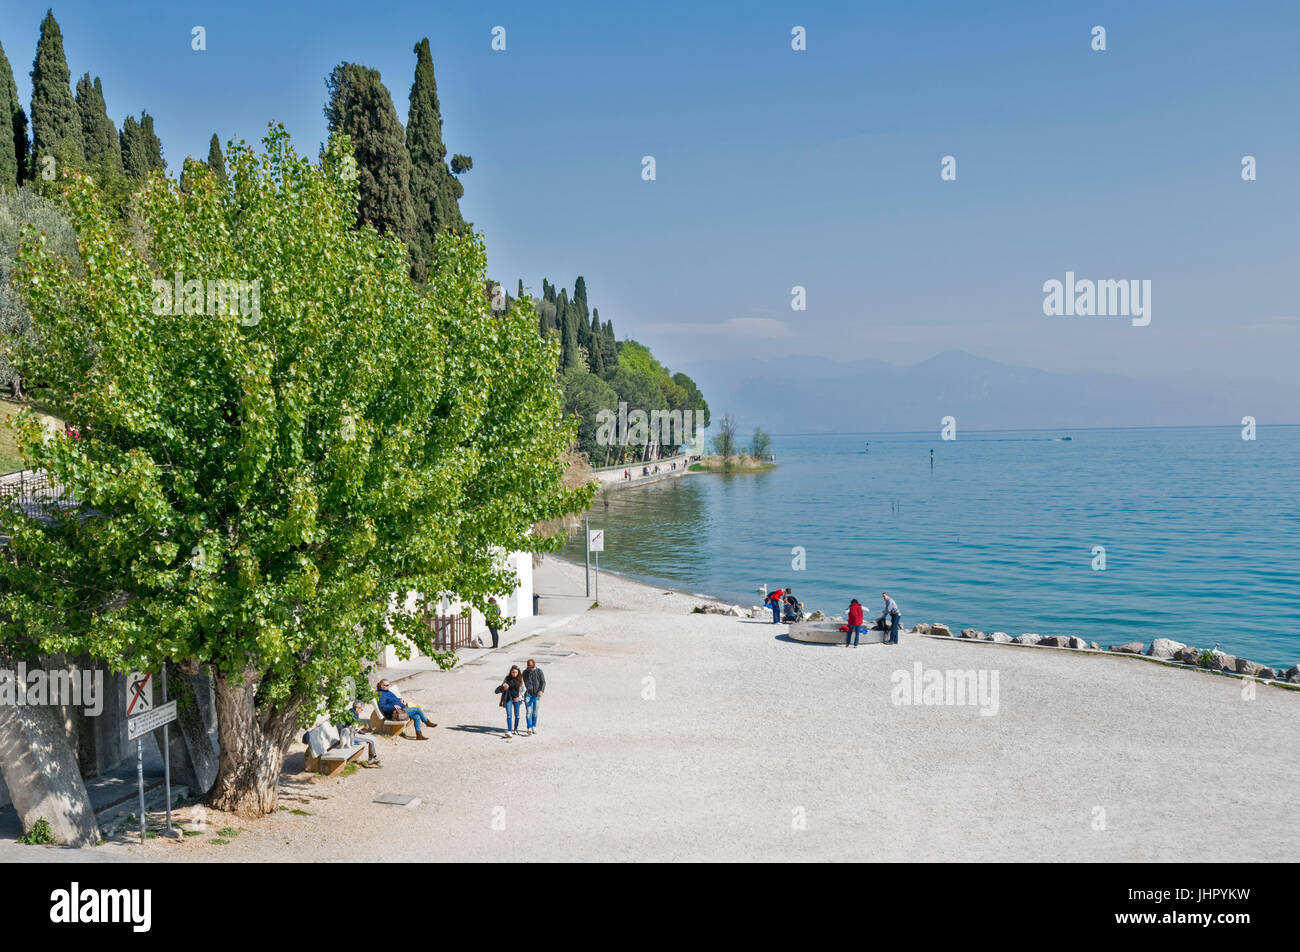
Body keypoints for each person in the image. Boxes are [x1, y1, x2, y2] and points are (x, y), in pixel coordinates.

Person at [337, 701, 382, 766]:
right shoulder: (352, 715)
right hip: (350, 737)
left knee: (372, 738)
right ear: (357, 708)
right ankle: (373, 758)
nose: (362, 710)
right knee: (371, 740)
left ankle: (371, 758)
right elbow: (354, 730)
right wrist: (363, 726)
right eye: (361, 709)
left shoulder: (353, 713)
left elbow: (356, 727)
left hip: (351, 735)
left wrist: (362, 730)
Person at [495, 665, 526, 737]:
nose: (514, 674)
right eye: (513, 672)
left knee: (517, 715)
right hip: (508, 698)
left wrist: (520, 697)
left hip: (517, 699)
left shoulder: (520, 679)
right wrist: (504, 687)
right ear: (510, 672)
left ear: (518, 672)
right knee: (509, 715)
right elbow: (503, 686)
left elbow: (524, 689)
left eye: (516, 672)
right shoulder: (507, 678)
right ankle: (509, 731)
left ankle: (516, 729)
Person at [521, 658, 546, 735]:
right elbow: (521, 683)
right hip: (528, 694)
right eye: (529, 667)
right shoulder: (524, 672)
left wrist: (541, 690)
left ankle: (533, 726)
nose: (530, 669)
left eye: (531, 667)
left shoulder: (539, 671)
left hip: (536, 695)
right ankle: (529, 727)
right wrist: (521, 693)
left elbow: (543, 682)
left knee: (535, 712)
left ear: (534, 666)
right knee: (529, 712)